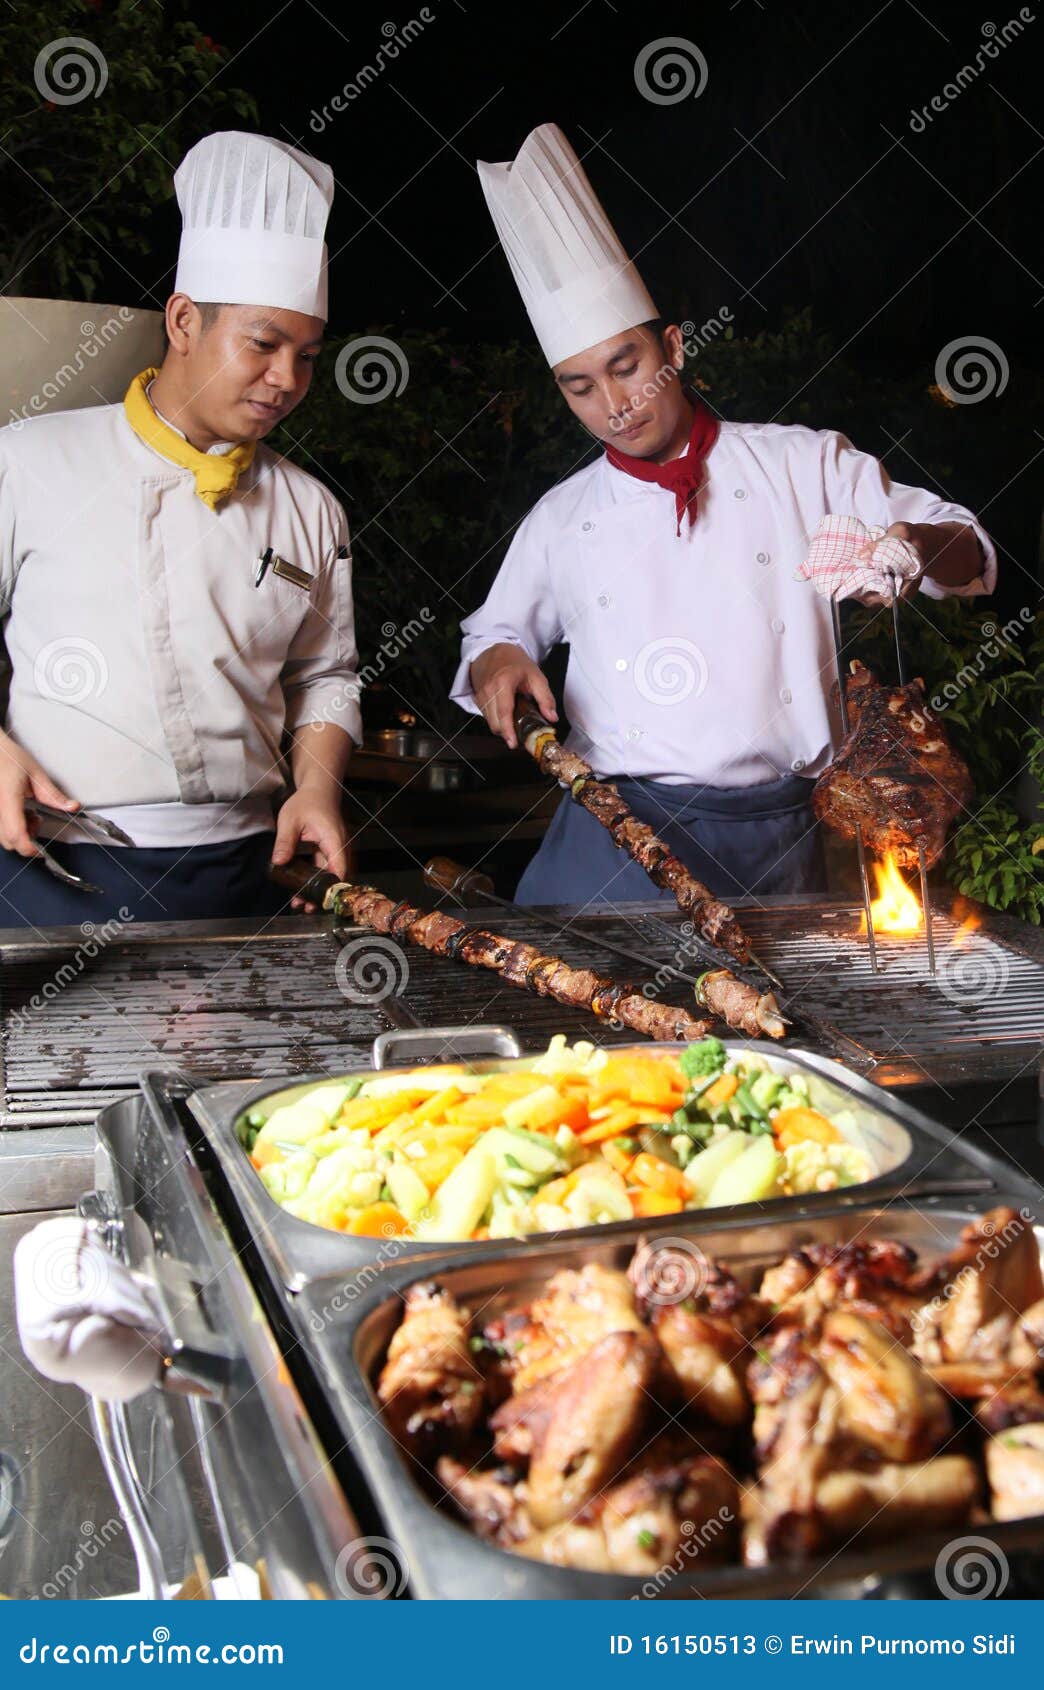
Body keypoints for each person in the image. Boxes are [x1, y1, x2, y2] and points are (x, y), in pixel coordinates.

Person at [451, 124, 995, 907]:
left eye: (627, 366)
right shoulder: (561, 516)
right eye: (580, 387)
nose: (614, 404)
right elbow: (493, 636)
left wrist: (913, 544)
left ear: (674, 348)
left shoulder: (803, 464)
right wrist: (499, 662)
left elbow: (969, 548)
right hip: (615, 836)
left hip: (776, 840)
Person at [0, 131, 361, 928]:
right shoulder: (27, 461)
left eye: (307, 356)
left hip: (247, 869)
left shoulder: (311, 509)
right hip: (50, 865)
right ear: (185, 320)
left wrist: (315, 787)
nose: (286, 380)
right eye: (263, 344)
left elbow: (325, 673)